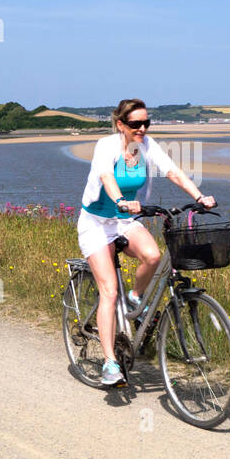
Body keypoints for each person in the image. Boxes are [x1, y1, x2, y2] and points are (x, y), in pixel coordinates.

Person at [78, 98, 215, 386]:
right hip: (96, 224)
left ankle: (136, 298)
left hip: (125, 222)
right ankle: (110, 363)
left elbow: (173, 172)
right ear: (120, 125)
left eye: (146, 123)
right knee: (109, 292)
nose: (141, 128)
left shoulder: (147, 145)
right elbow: (106, 176)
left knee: (153, 257)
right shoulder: (106, 146)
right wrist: (120, 202)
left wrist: (199, 197)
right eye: (134, 124)